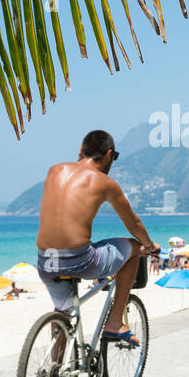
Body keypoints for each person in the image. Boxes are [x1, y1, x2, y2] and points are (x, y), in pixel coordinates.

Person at [36, 129, 159, 344]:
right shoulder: (104, 182)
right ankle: (114, 323)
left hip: (45, 262)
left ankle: (53, 371)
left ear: (80, 151)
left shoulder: (53, 171)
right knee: (133, 248)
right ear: (109, 154)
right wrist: (149, 245)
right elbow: (133, 224)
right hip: (79, 261)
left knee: (64, 313)